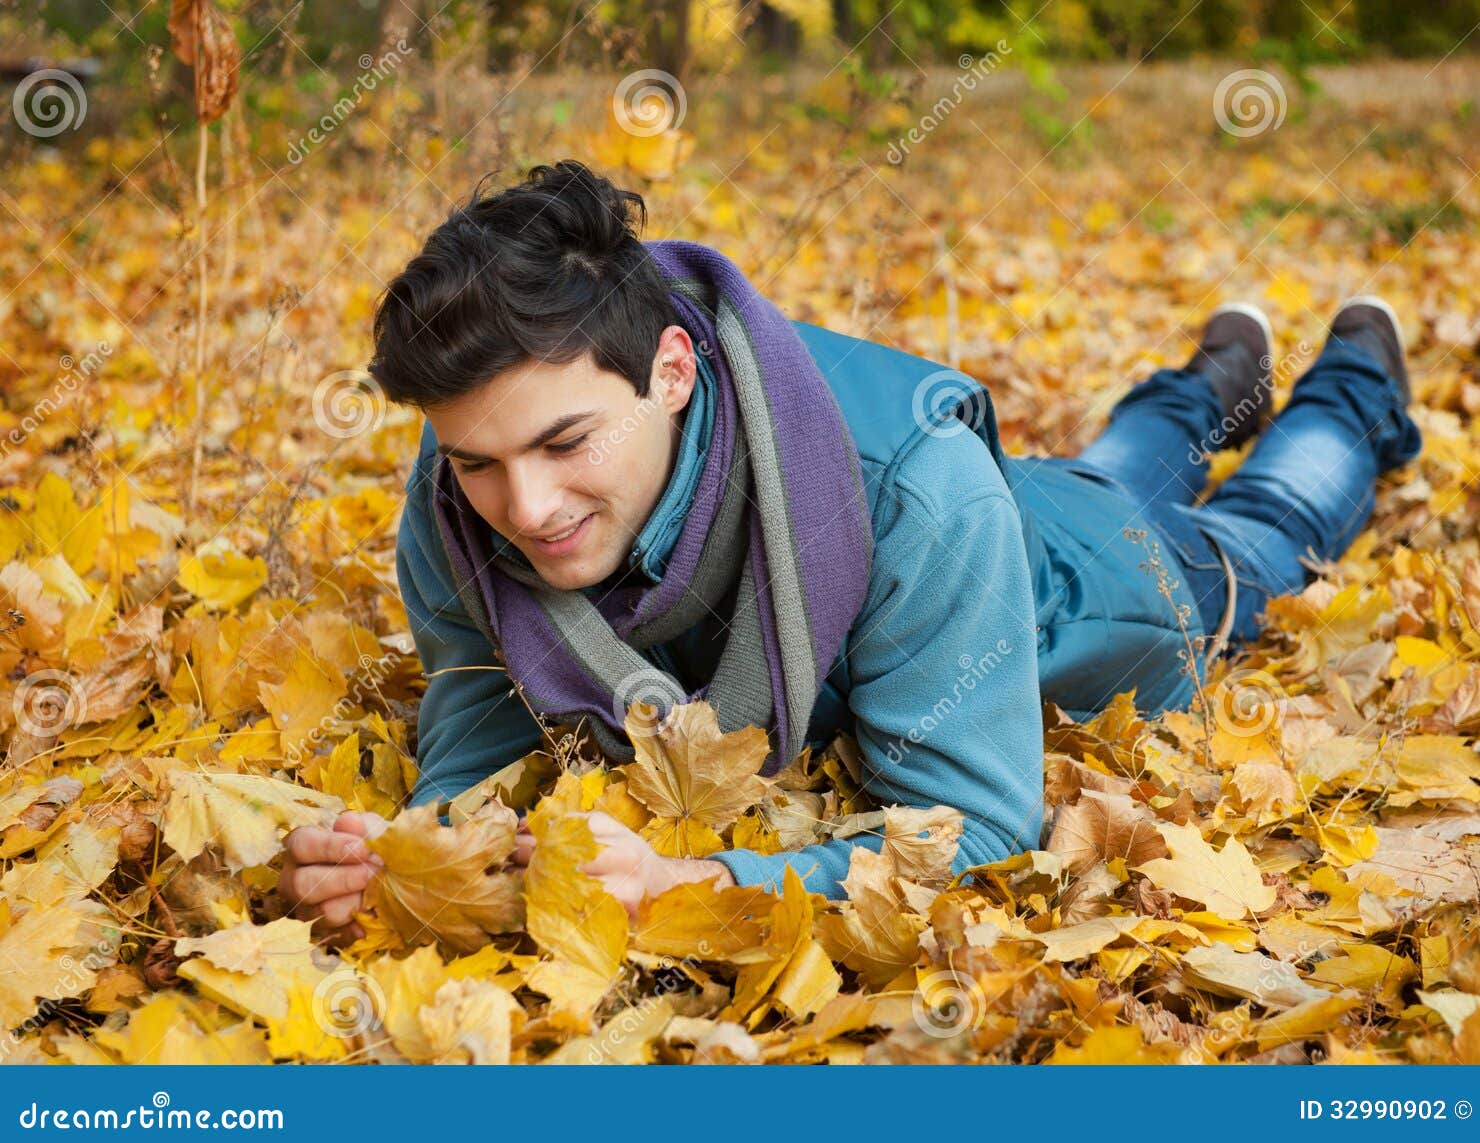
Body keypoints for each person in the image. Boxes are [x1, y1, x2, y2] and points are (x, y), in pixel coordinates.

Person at [277, 159, 1421, 944]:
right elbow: (478, 730)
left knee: (1266, 518)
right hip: (1002, 507)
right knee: (1124, 452)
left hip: (1108, 584)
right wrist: (408, 853)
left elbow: (972, 830)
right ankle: (1213, 375)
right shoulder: (457, 500)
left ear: (671, 371)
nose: (523, 507)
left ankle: (1354, 369)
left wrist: (700, 883)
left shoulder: (917, 496)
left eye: (566, 442)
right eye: (479, 461)